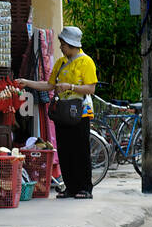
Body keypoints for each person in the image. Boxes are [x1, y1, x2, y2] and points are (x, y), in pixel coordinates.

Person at [15, 26, 97, 200]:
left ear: (71, 44)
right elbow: (49, 85)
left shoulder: (86, 62)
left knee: (80, 151)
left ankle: (85, 188)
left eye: (63, 44)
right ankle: (71, 187)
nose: (61, 47)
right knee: (65, 150)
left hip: (80, 113)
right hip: (62, 113)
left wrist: (71, 87)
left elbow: (91, 88)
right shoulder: (60, 63)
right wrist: (27, 82)